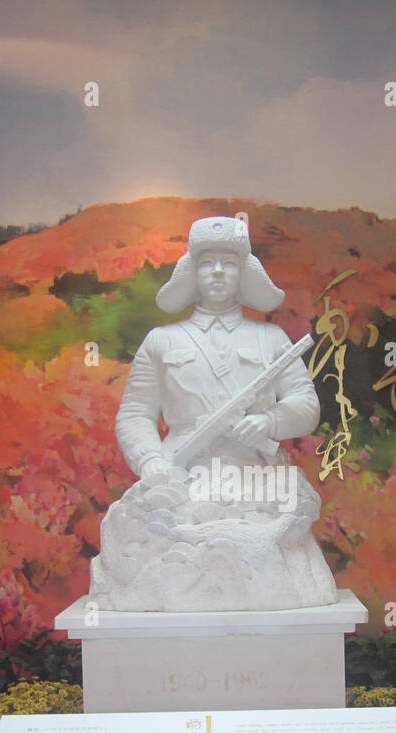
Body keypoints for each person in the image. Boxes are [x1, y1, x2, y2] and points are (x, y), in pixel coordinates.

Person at [90, 216, 338, 612]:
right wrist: (151, 462)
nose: (218, 271)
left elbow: (306, 405)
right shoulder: (161, 341)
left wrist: (270, 421)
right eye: (207, 263)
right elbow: (135, 413)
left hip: (255, 479)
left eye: (229, 263)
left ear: (244, 273)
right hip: (182, 477)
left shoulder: (272, 339)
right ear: (192, 273)